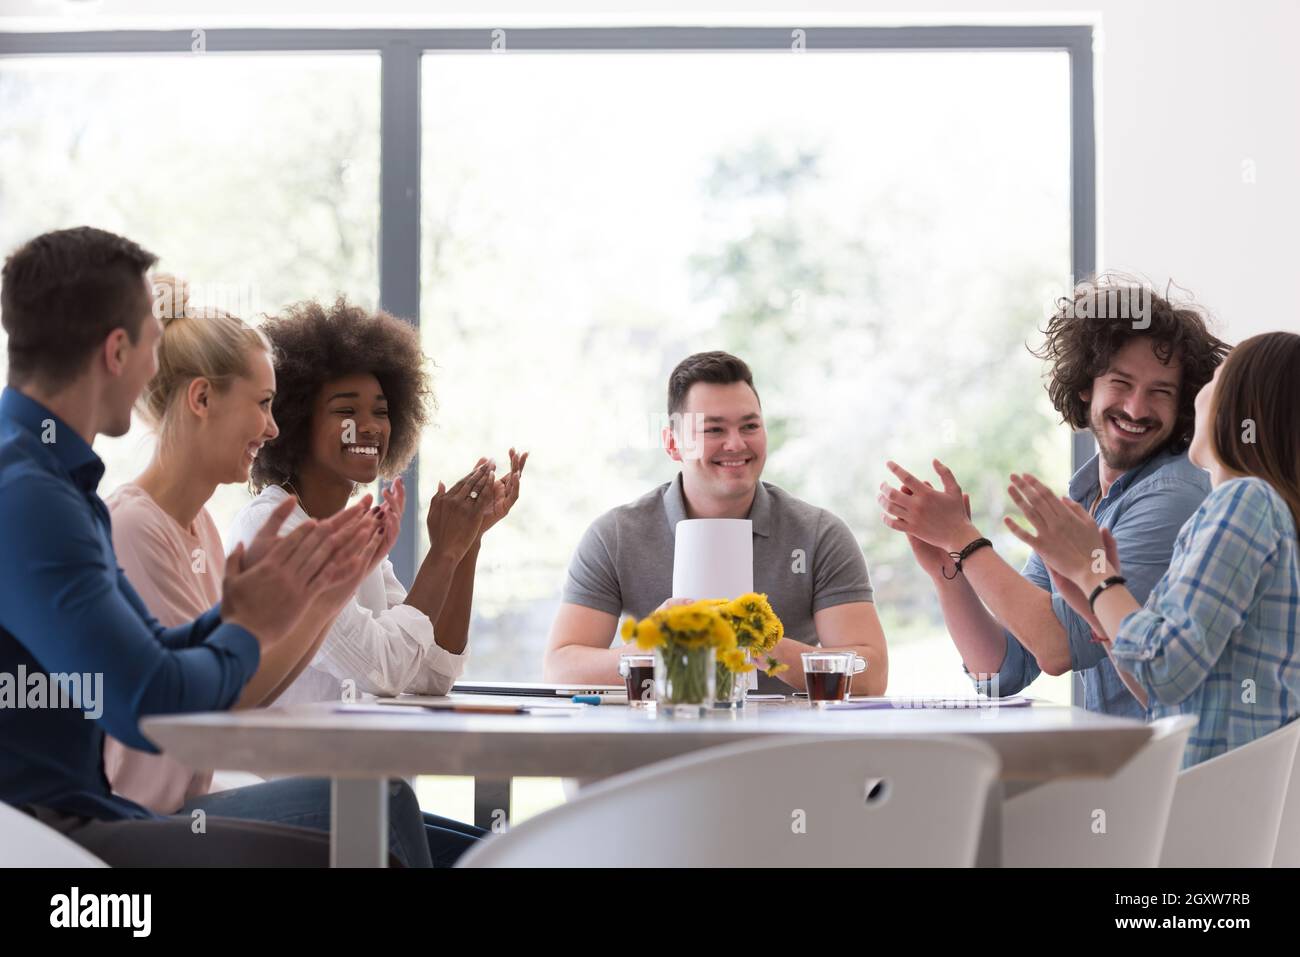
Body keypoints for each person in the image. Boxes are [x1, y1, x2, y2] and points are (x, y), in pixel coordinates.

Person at [0, 227, 379, 866]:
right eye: (154, 344)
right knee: (352, 857)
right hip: (44, 841)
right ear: (117, 351)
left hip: (72, 818)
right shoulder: (33, 497)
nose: (157, 370)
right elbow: (145, 703)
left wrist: (245, 616)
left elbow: (149, 654)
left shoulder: (51, 480)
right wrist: (248, 624)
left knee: (367, 839)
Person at [102, 276, 435, 867]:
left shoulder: (196, 527)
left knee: (401, 814)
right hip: (145, 819)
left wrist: (331, 590)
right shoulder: (136, 527)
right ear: (202, 400)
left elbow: (237, 694)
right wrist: (326, 592)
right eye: (261, 405)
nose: (273, 428)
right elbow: (215, 707)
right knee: (382, 804)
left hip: (190, 799)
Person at [229, 296, 527, 857]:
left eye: (383, 411)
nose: (369, 426)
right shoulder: (279, 528)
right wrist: (444, 552)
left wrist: (467, 545)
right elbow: (384, 668)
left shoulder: (350, 526)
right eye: (346, 409)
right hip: (281, 795)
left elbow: (430, 672)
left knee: (502, 851)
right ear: (296, 420)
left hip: (352, 789)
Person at [879, 281, 1227, 716]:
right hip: (1123, 764)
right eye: (1121, 383)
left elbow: (1057, 646)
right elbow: (1004, 669)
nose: (1137, 408)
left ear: (1183, 407)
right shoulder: (1082, 500)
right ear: (1086, 387)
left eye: (1161, 392)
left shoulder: (1173, 496)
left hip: (1172, 772)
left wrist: (961, 536)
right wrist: (949, 569)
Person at [1002, 331, 1300, 765]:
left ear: (1240, 403)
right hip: (1222, 803)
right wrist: (1093, 607)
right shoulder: (1257, 511)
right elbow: (1158, 692)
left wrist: (1096, 576)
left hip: (1201, 805)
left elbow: (1164, 669)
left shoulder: (1243, 502)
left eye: (1217, 377)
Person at [544, 350, 886, 694]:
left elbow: (871, 677)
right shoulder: (617, 535)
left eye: (750, 426)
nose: (736, 443)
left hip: (787, 743)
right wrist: (653, 649)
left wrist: (766, 647)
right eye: (714, 429)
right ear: (673, 444)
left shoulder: (818, 534)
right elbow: (560, 669)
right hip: (662, 741)